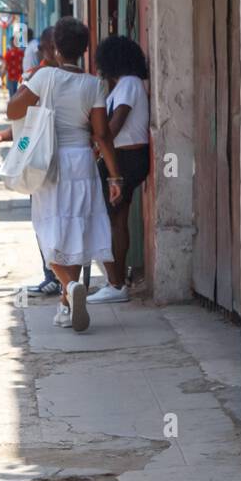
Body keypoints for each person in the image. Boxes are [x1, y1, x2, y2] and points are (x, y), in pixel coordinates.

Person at [6, 17, 122, 332]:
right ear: (85, 50)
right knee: (75, 229)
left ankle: (70, 287)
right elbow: (101, 135)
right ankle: (66, 305)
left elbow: (12, 111)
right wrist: (114, 177)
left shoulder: (44, 77)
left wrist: (29, 86)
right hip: (82, 162)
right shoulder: (94, 84)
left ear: (56, 49)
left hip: (49, 162)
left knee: (47, 230)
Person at [0, 26, 63, 297]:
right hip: (47, 159)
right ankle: (55, 275)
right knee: (45, 219)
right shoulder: (41, 77)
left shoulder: (50, 77)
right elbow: (27, 123)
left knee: (52, 219)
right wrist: (4, 136)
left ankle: (60, 277)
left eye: (47, 49)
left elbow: (17, 111)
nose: (44, 53)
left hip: (57, 159)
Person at [86, 35, 151, 304]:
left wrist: (97, 145)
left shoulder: (129, 85)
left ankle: (115, 283)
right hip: (123, 157)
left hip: (125, 158)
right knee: (116, 218)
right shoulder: (124, 85)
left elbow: (114, 126)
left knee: (110, 219)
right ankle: (116, 282)